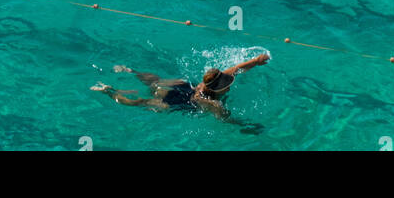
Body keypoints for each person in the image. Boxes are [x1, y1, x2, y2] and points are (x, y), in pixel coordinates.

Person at [92, 53, 269, 117]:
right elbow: (224, 117)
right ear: (216, 89)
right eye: (225, 86)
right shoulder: (210, 101)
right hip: (180, 102)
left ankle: (130, 71)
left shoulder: (211, 80)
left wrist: (256, 60)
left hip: (184, 87)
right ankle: (108, 91)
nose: (229, 86)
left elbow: (238, 68)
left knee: (157, 82)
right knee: (140, 102)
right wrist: (243, 125)